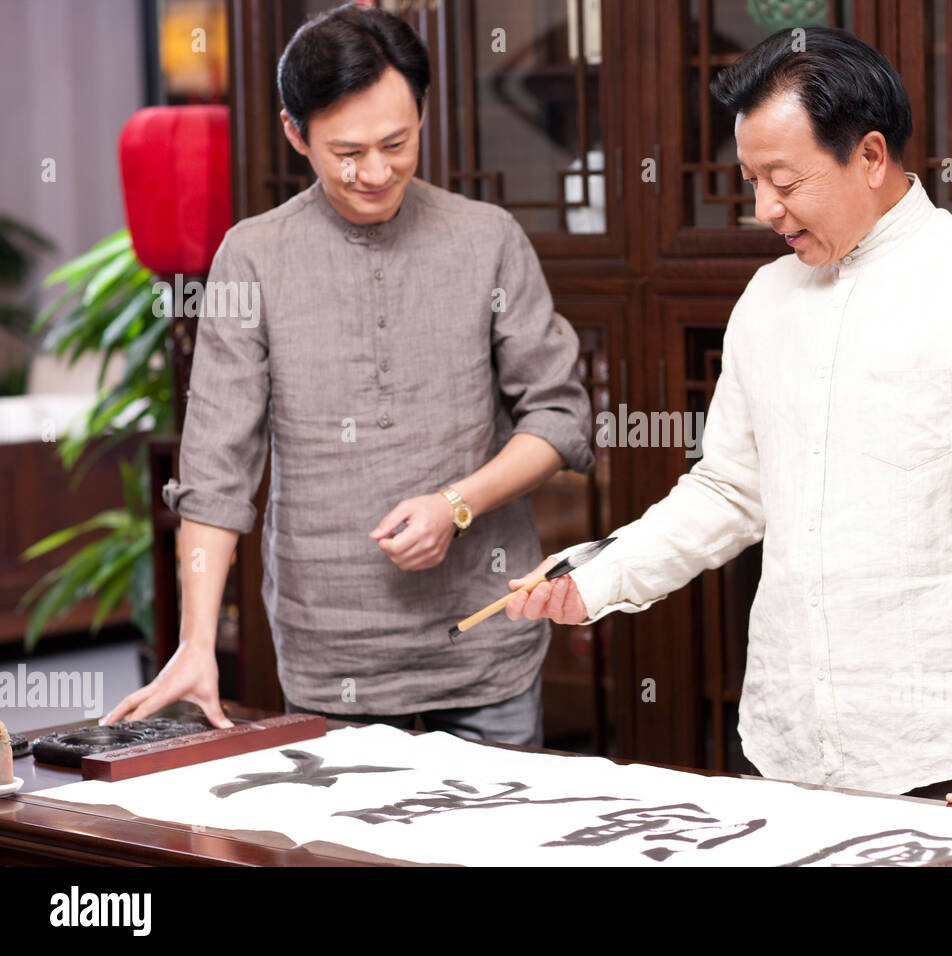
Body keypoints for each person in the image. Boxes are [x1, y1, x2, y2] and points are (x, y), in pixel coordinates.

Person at [506, 27, 952, 820]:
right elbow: (729, 489)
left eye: (783, 180)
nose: (763, 209)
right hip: (784, 737)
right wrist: (601, 577)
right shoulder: (768, 297)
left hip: (947, 748)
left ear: (871, 157)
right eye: (750, 181)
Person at [102, 3, 593, 746]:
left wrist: (457, 505)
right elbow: (217, 464)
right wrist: (197, 641)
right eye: (347, 151)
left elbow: (559, 419)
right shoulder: (254, 257)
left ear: (423, 112)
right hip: (333, 648)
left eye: (397, 143)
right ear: (295, 132)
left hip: (486, 634)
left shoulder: (487, 239)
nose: (375, 172)